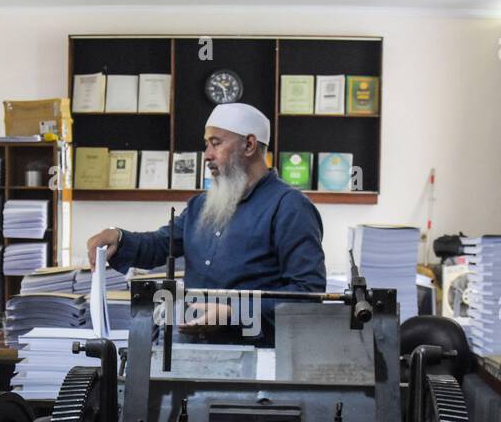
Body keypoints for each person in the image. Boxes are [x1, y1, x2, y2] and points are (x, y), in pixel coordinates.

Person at [86, 102, 326, 345]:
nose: (207, 155)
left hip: (258, 361)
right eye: (206, 144)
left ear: (249, 145)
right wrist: (119, 238)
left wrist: (235, 312)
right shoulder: (201, 205)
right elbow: (160, 245)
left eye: (216, 143)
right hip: (192, 355)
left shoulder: (289, 207)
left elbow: (307, 294)